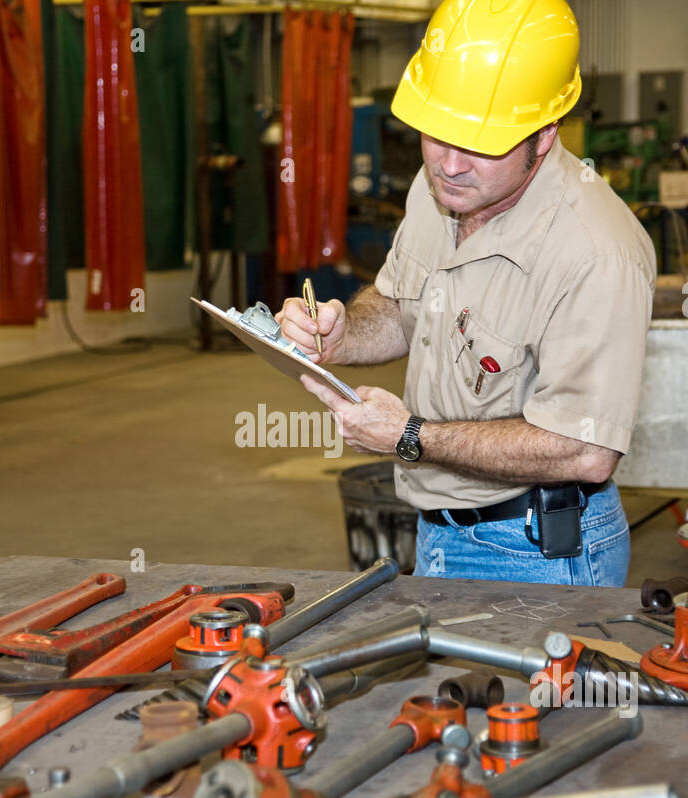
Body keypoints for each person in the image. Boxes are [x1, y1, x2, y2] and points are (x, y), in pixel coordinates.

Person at [277, 0, 655, 586]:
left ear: (545, 132)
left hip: (538, 553)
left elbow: (584, 450)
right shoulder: (438, 192)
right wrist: (341, 331)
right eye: (438, 133)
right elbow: (401, 310)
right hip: (437, 529)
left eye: (481, 144)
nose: (449, 164)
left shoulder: (595, 251)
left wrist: (409, 437)